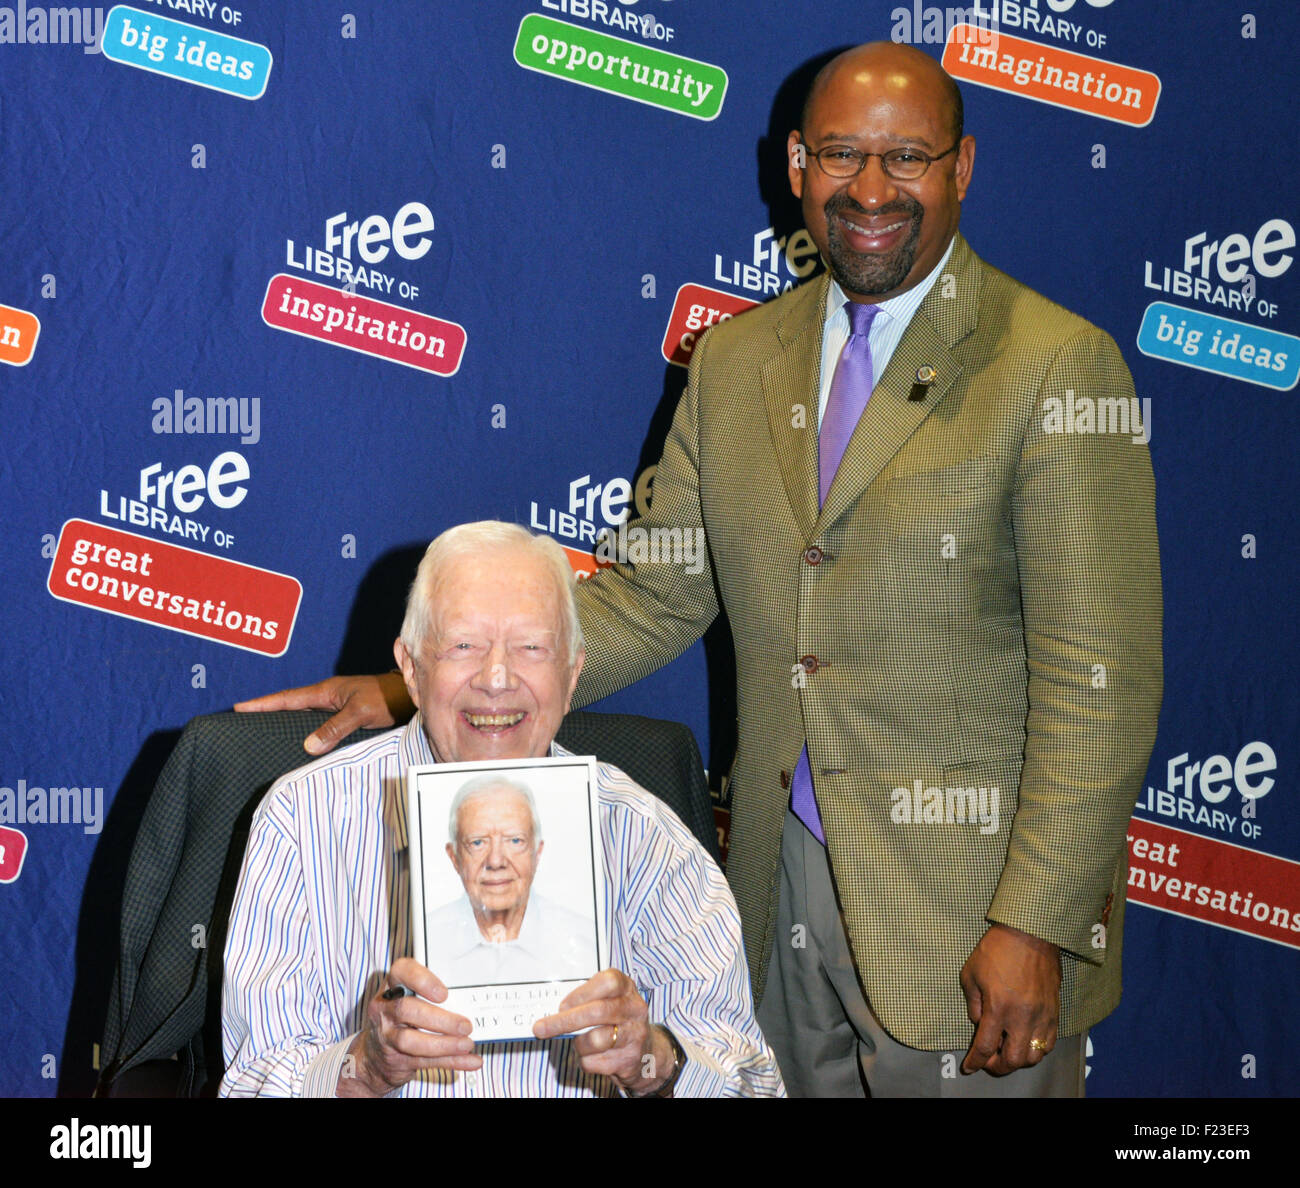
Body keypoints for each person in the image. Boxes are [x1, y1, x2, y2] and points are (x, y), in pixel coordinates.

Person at [237, 42, 1162, 1097]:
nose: (870, 189)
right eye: (842, 156)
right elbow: (652, 594)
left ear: (962, 168)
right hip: (775, 902)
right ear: (797, 165)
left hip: (968, 926)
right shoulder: (733, 362)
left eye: (906, 158)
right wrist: (420, 686)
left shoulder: (1054, 364)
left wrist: (1033, 921)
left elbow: (1106, 688)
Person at [220, 521, 783, 1097]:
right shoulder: (302, 819)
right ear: (411, 669)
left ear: (572, 676)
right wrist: (363, 1069)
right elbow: (248, 1087)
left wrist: (656, 1063)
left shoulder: (648, 837)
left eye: (531, 648)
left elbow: (754, 1086)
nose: (496, 678)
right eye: (464, 645)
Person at [425, 774, 597, 985]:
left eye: (515, 840)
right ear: (454, 857)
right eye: (478, 842)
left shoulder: (586, 941)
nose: (496, 861)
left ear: (537, 853)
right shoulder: (424, 942)